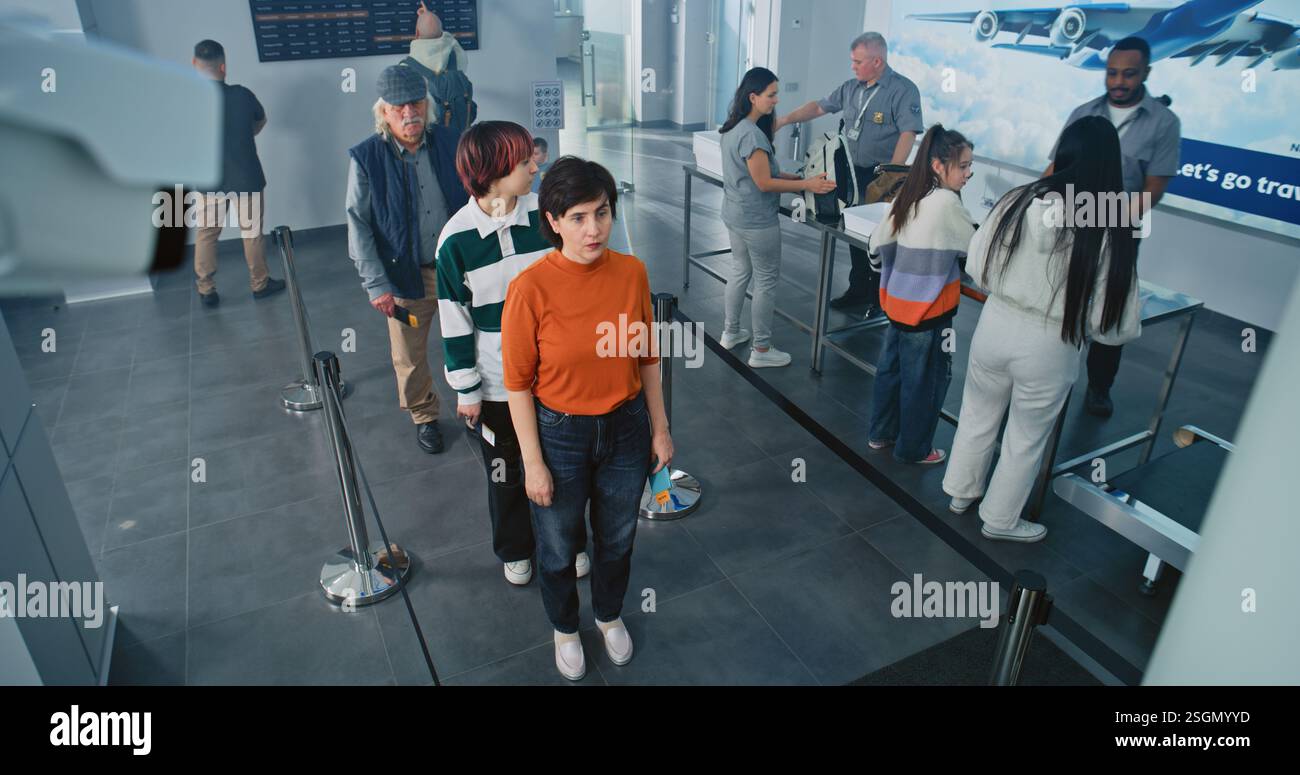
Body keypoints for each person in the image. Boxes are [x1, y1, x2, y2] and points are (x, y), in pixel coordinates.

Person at [501, 157, 673, 681]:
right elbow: (516, 385)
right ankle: (565, 628)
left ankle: (609, 615)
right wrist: (532, 462)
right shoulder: (530, 288)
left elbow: (646, 357)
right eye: (577, 217)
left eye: (602, 213)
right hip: (560, 434)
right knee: (556, 546)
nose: (593, 229)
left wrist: (660, 428)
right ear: (553, 221)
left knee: (617, 538)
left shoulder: (632, 273)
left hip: (626, 428)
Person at [944, 116, 1142, 543]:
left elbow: (977, 266)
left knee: (977, 414)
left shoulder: (1019, 199)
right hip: (1051, 343)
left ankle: (960, 493)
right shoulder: (1108, 220)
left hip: (994, 325)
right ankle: (999, 521)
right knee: (1026, 438)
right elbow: (1113, 320)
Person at [435, 121, 589, 586]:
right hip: (498, 383)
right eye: (525, 161)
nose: (535, 165)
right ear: (494, 172)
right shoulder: (455, 240)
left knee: (563, 465)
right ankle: (516, 548)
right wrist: (466, 389)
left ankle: (570, 541)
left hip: (555, 376)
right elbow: (454, 320)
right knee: (505, 472)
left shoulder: (546, 219)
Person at [1044, 36, 1179, 418]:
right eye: (1112, 73)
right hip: (1071, 223)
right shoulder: (1084, 112)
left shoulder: (1164, 123)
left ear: (1146, 73)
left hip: (1120, 229)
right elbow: (1056, 168)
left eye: (1129, 74)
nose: (1118, 81)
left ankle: (1100, 387)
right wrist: (1033, 201)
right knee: (1059, 294)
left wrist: (1110, 218)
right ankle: (1053, 370)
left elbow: (1154, 188)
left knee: (1109, 307)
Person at [346, 65, 468, 454]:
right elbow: (358, 223)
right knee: (409, 354)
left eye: (415, 103)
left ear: (427, 105)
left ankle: (476, 406)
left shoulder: (452, 142)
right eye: (398, 107)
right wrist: (376, 283)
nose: (408, 113)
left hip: (457, 272)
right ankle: (424, 415)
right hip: (405, 277)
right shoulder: (367, 157)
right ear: (383, 112)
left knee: (472, 340)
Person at [773, 31, 923, 314]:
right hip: (851, 174)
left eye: (857, 62)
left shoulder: (903, 90)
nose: (852, 67)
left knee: (878, 237)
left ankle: (880, 298)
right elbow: (819, 106)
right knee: (853, 232)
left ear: (877, 61)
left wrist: (891, 176)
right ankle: (858, 289)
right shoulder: (851, 87)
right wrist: (784, 120)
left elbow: (908, 133)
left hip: (881, 178)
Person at [865, 125, 976, 464]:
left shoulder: (909, 194)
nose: (969, 173)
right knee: (925, 383)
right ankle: (914, 449)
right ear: (939, 166)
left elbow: (875, 248)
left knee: (891, 372)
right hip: (930, 315)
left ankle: (880, 435)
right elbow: (975, 254)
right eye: (963, 166)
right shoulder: (946, 204)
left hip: (898, 307)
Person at [717, 67, 836, 368]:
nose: (776, 100)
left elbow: (761, 173)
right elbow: (764, 183)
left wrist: (797, 177)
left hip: (734, 215)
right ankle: (761, 349)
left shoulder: (732, 128)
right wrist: (807, 185)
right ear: (753, 97)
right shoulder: (753, 136)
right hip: (756, 221)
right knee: (766, 282)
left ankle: (731, 332)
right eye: (771, 95)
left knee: (740, 271)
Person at [190, 40, 284, 307]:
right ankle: (260, 284)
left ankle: (206, 290)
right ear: (223, 67)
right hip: (246, 176)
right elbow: (260, 121)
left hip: (208, 179)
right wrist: (243, 134)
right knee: (251, 232)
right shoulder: (242, 95)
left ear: (195, 65)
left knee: (207, 233)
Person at [399, 3, 475, 134]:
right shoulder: (458, 56)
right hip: (462, 137)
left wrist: (426, 19)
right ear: (441, 32)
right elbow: (449, 40)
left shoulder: (405, 69)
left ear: (416, 33)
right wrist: (430, 19)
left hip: (430, 139)